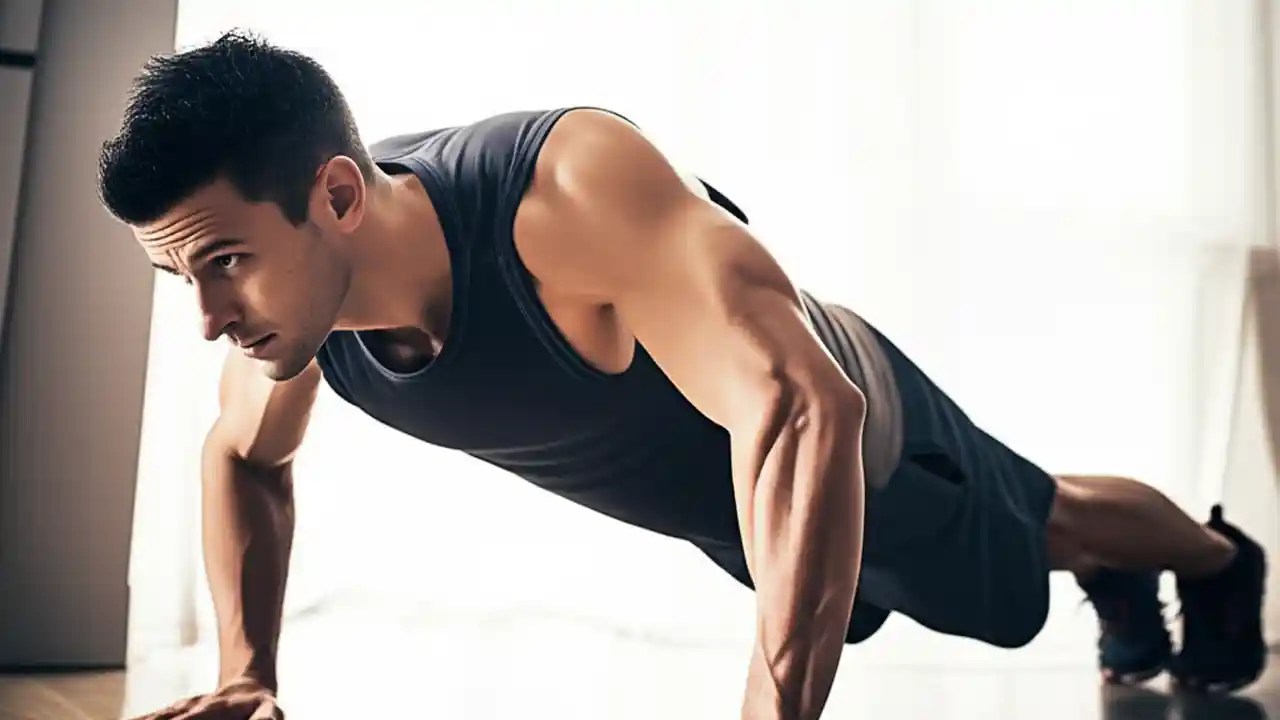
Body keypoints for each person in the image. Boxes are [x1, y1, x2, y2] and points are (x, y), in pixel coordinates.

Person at [98, 31, 1267, 720]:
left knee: (1043, 525)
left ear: (336, 198)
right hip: (731, 505)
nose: (207, 318)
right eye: (180, 279)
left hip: (839, 429)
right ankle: (1126, 576)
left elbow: (805, 402)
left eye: (225, 265)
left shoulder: (560, 192)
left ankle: (1213, 563)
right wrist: (248, 672)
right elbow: (242, 458)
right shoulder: (294, 318)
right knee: (1016, 537)